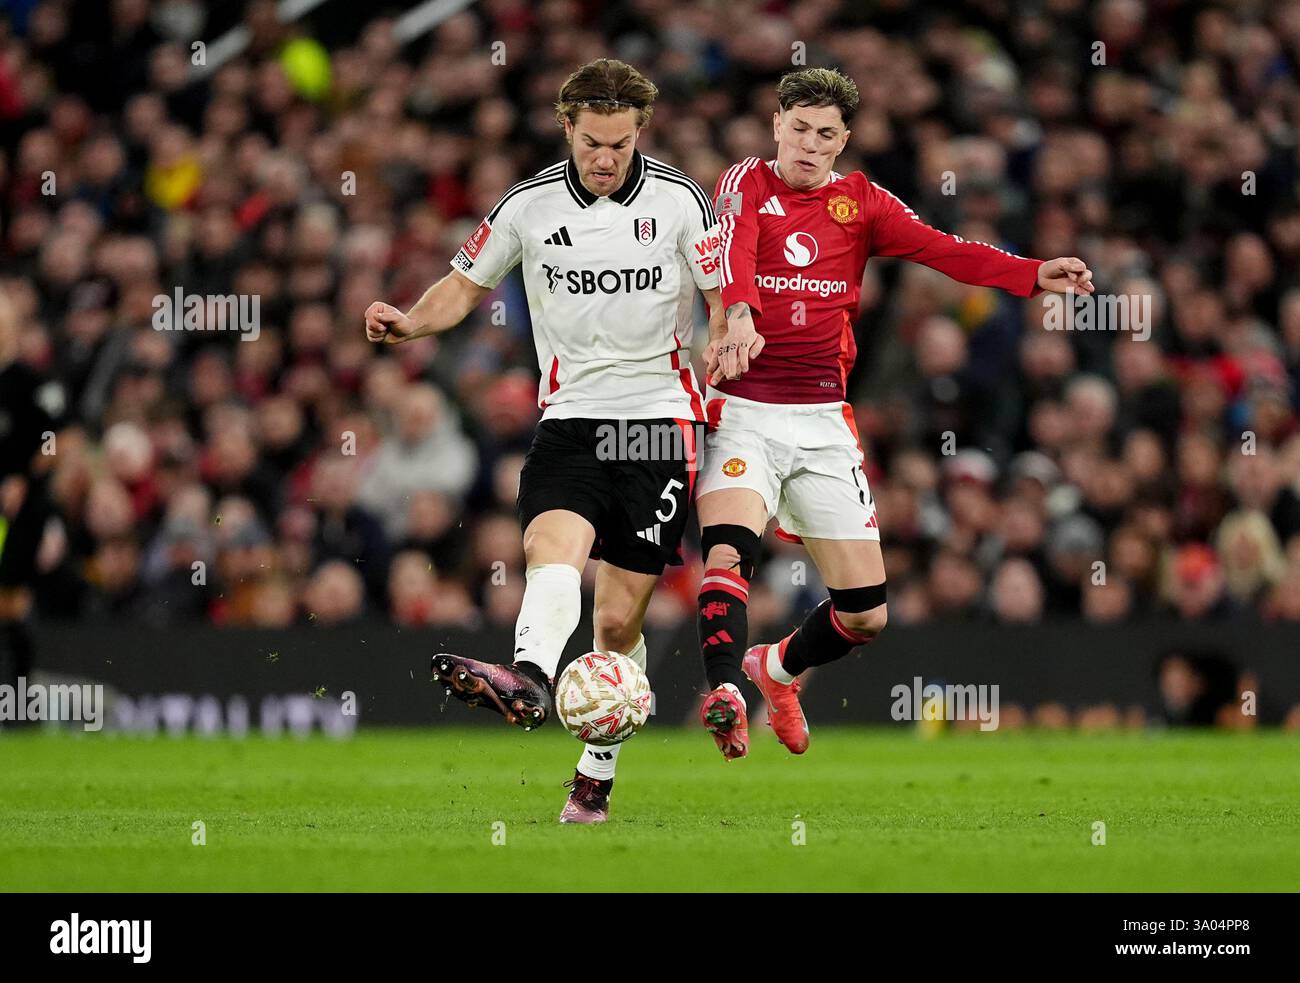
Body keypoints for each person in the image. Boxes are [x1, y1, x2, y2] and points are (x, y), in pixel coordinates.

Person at [696, 68, 1094, 758]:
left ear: (844, 139)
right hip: (745, 408)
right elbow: (731, 245)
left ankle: (778, 667)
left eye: (826, 134)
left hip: (822, 420)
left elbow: (945, 250)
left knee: (866, 614)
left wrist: (1030, 273)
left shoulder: (863, 203)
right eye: (799, 129)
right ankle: (726, 690)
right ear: (776, 125)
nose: (810, 145)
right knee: (729, 548)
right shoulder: (746, 183)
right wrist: (738, 312)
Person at [364, 59, 722, 822]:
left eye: (620, 145)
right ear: (567, 128)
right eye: (593, 142)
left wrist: (734, 335)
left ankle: (594, 778)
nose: (605, 158)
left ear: (640, 134)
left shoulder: (682, 201)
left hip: (659, 425)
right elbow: (464, 285)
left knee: (617, 623)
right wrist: (408, 320)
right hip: (568, 421)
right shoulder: (526, 207)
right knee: (548, 552)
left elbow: (724, 296)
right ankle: (526, 677)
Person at [0, 289, 66, 718]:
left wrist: (23, 477)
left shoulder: (32, 383)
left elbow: (57, 441)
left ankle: (21, 703)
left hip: (21, 511)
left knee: (10, 599)